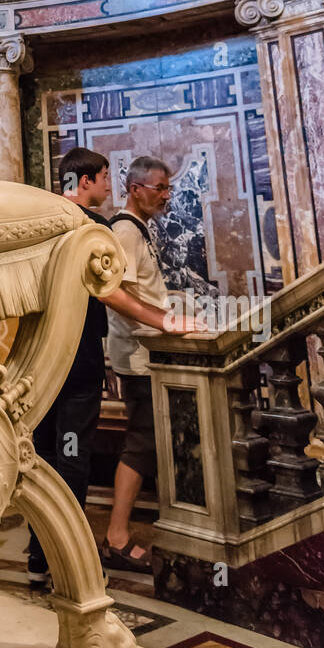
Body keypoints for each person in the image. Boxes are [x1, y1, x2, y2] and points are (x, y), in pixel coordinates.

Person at [25, 147, 204, 585]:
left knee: (43, 458)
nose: (109, 186)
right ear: (84, 181)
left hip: (37, 360)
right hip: (76, 359)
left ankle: (40, 557)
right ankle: (70, 560)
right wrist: (165, 320)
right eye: (104, 177)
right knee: (72, 459)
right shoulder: (94, 227)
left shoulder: (40, 220)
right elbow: (107, 291)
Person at [102, 155, 206, 574]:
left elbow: (143, 288)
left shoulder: (140, 230)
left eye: (168, 187)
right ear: (135, 189)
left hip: (149, 354)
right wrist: (165, 320)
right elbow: (114, 293)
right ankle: (116, 537)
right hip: (138, 357)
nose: (167, 195)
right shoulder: (125, 230)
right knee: (142, 441)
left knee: (152, 440)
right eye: (160, 188)